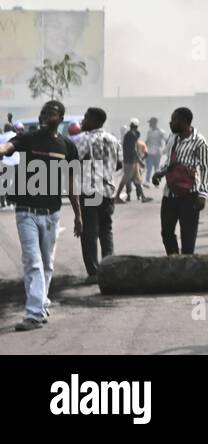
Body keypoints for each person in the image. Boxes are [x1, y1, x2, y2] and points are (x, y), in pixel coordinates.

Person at [0, 100, 83, 331]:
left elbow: (71, 183)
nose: (45, 116)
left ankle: (42, 303)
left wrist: (78, 215)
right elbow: (9, 147)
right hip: (26, 212)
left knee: (46, 264)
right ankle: (34, 314)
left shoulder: (67, 146)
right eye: (43, 112)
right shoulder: (28, 138)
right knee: (33, 262)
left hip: (52, 214)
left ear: (61, 118)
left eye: (51, 113)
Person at [151, 107, 208, 256]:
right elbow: (169, 161)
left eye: (174, 120)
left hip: (190, 195)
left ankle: (186, 266)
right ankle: (175, 261)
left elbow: (204, 169)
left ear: (184, 121)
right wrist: (160, 173)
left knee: (188, 236)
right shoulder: (172, 138)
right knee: (166, 232)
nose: (171, 123)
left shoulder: (199, 142)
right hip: (169, 193)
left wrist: (202, 195)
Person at [76, 107, 121, 283]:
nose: (83, 121)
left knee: (89, 233)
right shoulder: (113, 139)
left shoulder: (83, 139)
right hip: (108, 191)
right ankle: (109, 268)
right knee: (106, 230)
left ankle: (94, 272)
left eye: (85, 118)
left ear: (94, 121)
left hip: (90, 190)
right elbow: (118, 164)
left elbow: (73, 161)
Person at [115, 119, 149, 203]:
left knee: (136, 178)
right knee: (126, 178)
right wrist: (140, 161)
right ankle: (117, 197)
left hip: (130, 159)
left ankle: (143, 197)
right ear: (136, 127)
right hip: (130, 160)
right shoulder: (132, 135)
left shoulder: (129, 134)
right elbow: (133, 150)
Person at [144, 117, 165, 183]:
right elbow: (147, 141)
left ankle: (156, 181)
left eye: (150, 123)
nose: (149, 124)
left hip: (157, 152)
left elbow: (166, 140)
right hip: (149, 152)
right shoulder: (149, 131)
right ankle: (147, 181)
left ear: (154, 123)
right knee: (149, 168)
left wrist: (165, 150)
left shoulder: (160, 132)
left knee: (156, 168)